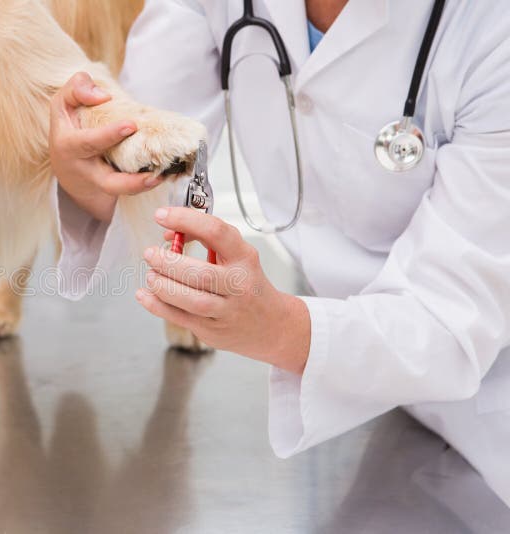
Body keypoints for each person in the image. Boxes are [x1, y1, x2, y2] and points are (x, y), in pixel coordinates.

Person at [48, 0, 510, 506]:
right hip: (386, 407)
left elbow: (450, 316)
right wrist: (86, 177)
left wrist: (277, 328)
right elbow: (145, 154)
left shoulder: (493, 28)